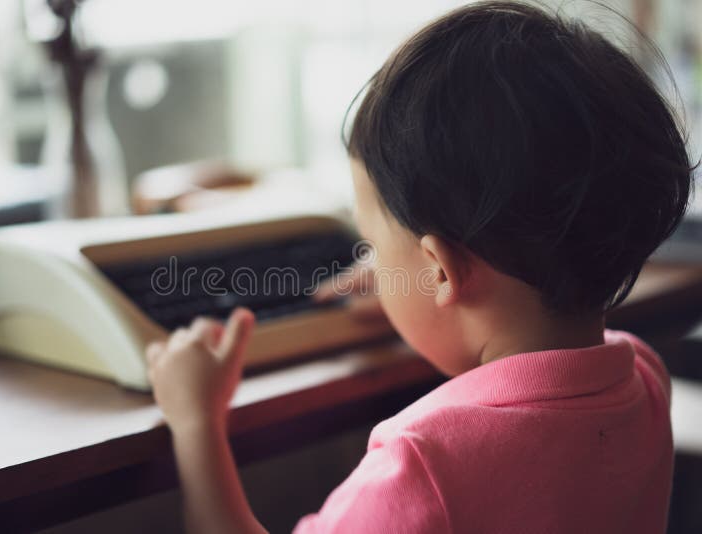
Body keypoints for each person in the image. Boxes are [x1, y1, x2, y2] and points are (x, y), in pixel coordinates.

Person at [146, 1, 696, 532]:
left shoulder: (423, 462)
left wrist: (197, 423)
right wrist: (425, 290)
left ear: (440, 272)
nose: (375, 266)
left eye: (374, 247)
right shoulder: (645, 379)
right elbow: (535, 353)